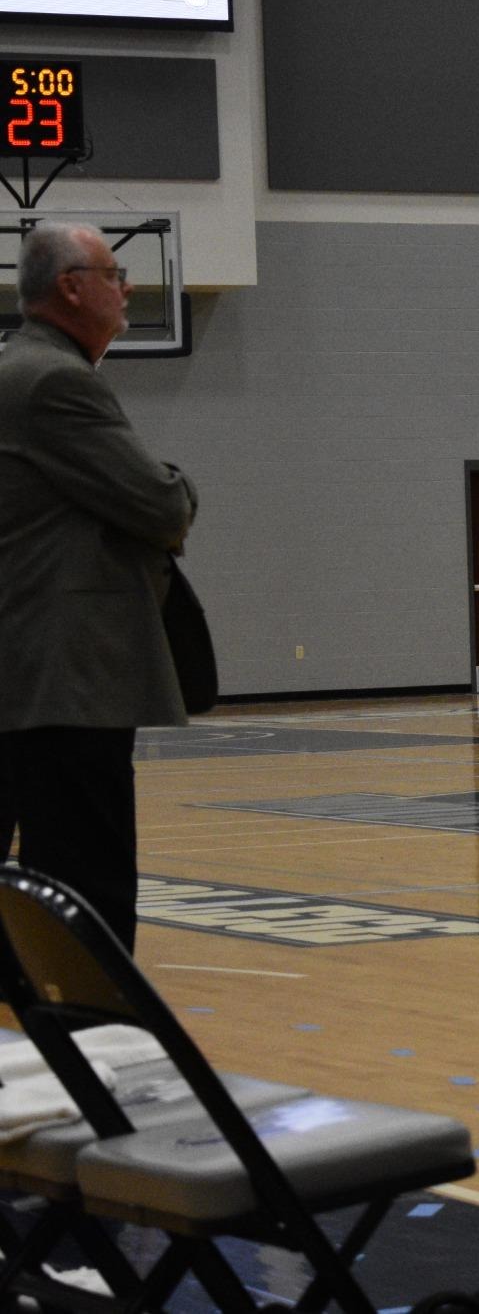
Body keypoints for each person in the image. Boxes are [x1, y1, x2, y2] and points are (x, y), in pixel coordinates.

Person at [0, 221, 197, 952]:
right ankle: (89, 1013)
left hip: (28, 668)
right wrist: (179, 486)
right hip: (69, 676)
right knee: (88, 882)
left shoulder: (18, 367)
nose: (128, 288)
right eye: (114, 274)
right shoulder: (56, 381)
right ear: (71, 288)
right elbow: (161, 503)